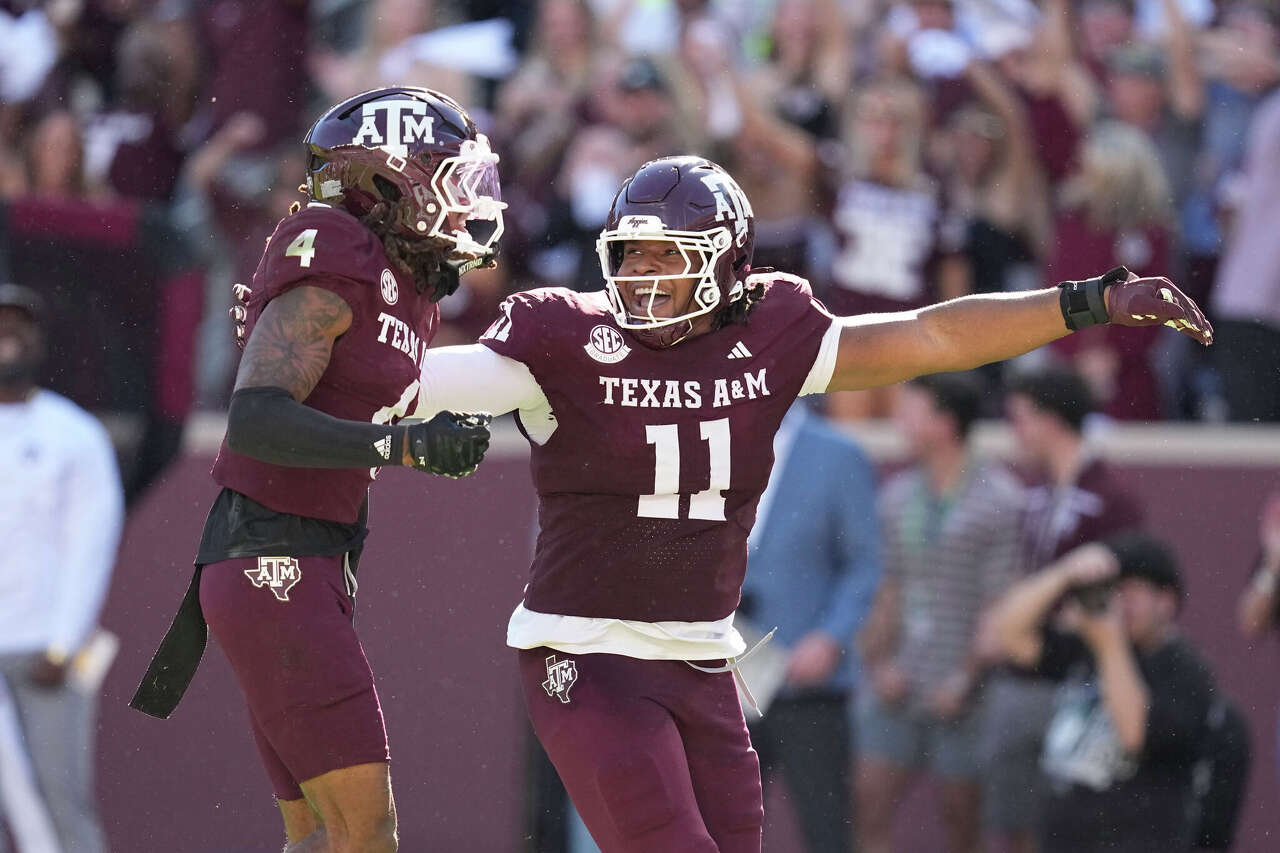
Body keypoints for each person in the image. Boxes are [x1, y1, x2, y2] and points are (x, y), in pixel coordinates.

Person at [410, 155, 1211, 852]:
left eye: (669, 255)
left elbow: (929, 336)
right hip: (585, 654)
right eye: (630, 255)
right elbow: (416, 381)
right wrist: (335, 349)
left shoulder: (773, 326)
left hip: (700, 661)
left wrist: (1084, 303)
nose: (644, 277)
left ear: (727, 265)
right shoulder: (564, 335)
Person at [131, 87, 498, 853]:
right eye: (451, 177)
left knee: (319, 836)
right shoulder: (334, 245)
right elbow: (258, 416)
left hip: (304, 562)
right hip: (274, 558)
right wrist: (403, 445)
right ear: (391, 177)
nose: (471, 201)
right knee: (366, 834)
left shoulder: (404, 282)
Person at [979, 365, 1145, 853]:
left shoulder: (1110, 496)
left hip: (1079, 680)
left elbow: (1123, 591)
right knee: (1013, 825)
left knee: (1068, 823)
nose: (1015, 433)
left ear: (1051, 420)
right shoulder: (1031, 495)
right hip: (1021, 676)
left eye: (1022, 419)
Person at [855, 372, 1023, 853]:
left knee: (961, 822)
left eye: (912, 410)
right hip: (898, 683)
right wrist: (879, 663)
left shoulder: (1000, 500)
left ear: (945, 423)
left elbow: (1000, 602)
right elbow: (889, 589)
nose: (899, 419)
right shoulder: (895, 497)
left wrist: (965, 678)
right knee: (869, 801)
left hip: (970, 691)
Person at [983, 534, 1215, 853]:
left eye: (1132, 592)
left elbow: (1135, 733)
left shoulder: (1185, 670)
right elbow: (1007, 633)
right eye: (1114, 590)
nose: (1120, 603)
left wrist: (1109, 644)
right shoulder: (1087, 646)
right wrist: (1064, 572)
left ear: (1166, 601)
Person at [0, 283, 124, 853]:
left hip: (42, 650)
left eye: (19, 324)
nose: (8, 335)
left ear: (39, 340)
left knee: (58, 798)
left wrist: (64, 642)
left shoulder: (75, 434)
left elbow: (91, 542)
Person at [740, 402, 882, 853]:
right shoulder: (712, 441)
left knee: (825, 829)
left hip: (807, 677)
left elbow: (865, 564)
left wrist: (830, 636)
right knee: (718, 826)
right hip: (727, 674)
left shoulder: (837, 454)